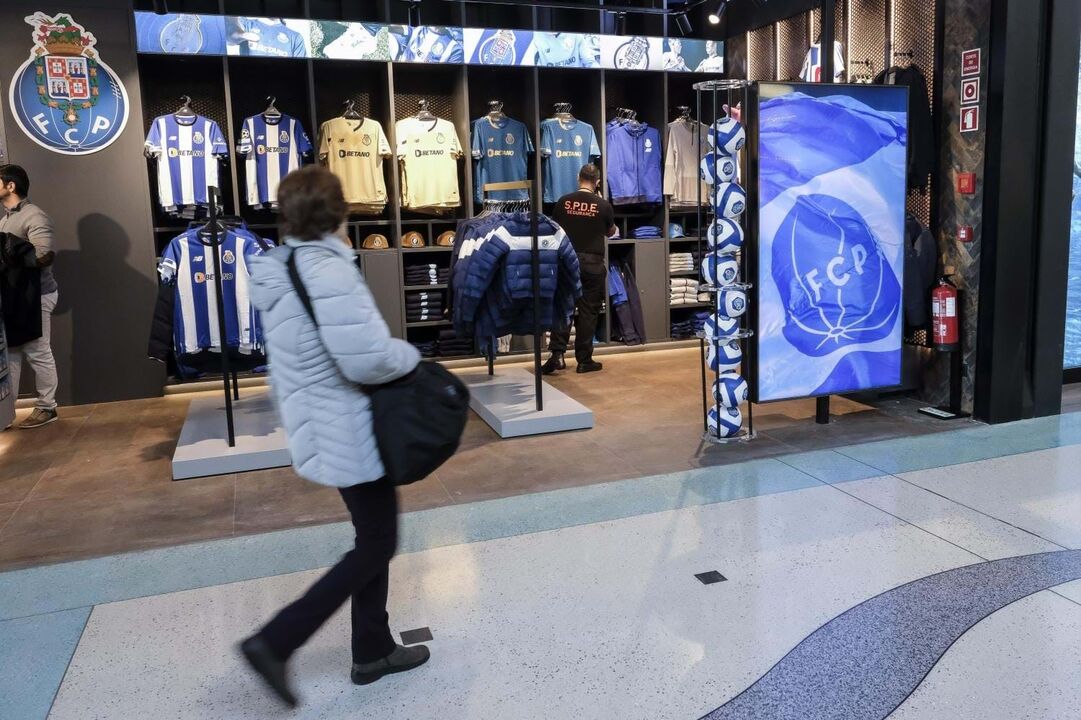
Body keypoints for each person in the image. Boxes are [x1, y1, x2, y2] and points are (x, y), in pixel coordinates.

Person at [241, 166, 427, 707]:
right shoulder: (329, 271)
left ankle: (371, 650)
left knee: (372, 537)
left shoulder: (283, 269)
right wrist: (413, 358)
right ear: (338, 211)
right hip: (350, 422)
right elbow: (367, 358)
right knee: (378, 540)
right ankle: (276, 640)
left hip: (317, 418)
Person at [0, 165, 59, 429]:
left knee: (37, 350)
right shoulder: (4, 220)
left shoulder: (34, 216)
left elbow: (43, 256)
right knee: (10, 353)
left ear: (10, 186)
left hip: (38, 297)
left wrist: (13, 249)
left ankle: (47, 407)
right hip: (14, 298)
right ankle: (6, 411)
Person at [545, 163, 616, 375]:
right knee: (588, 311)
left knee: (563, 308)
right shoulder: (603, 205)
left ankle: (557, 355)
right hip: (593, 264)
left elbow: (554, 229)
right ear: (598, 182)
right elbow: (611, 231)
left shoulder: (563, 201)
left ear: (578, 178)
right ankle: (584, 360)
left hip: (566, 261)